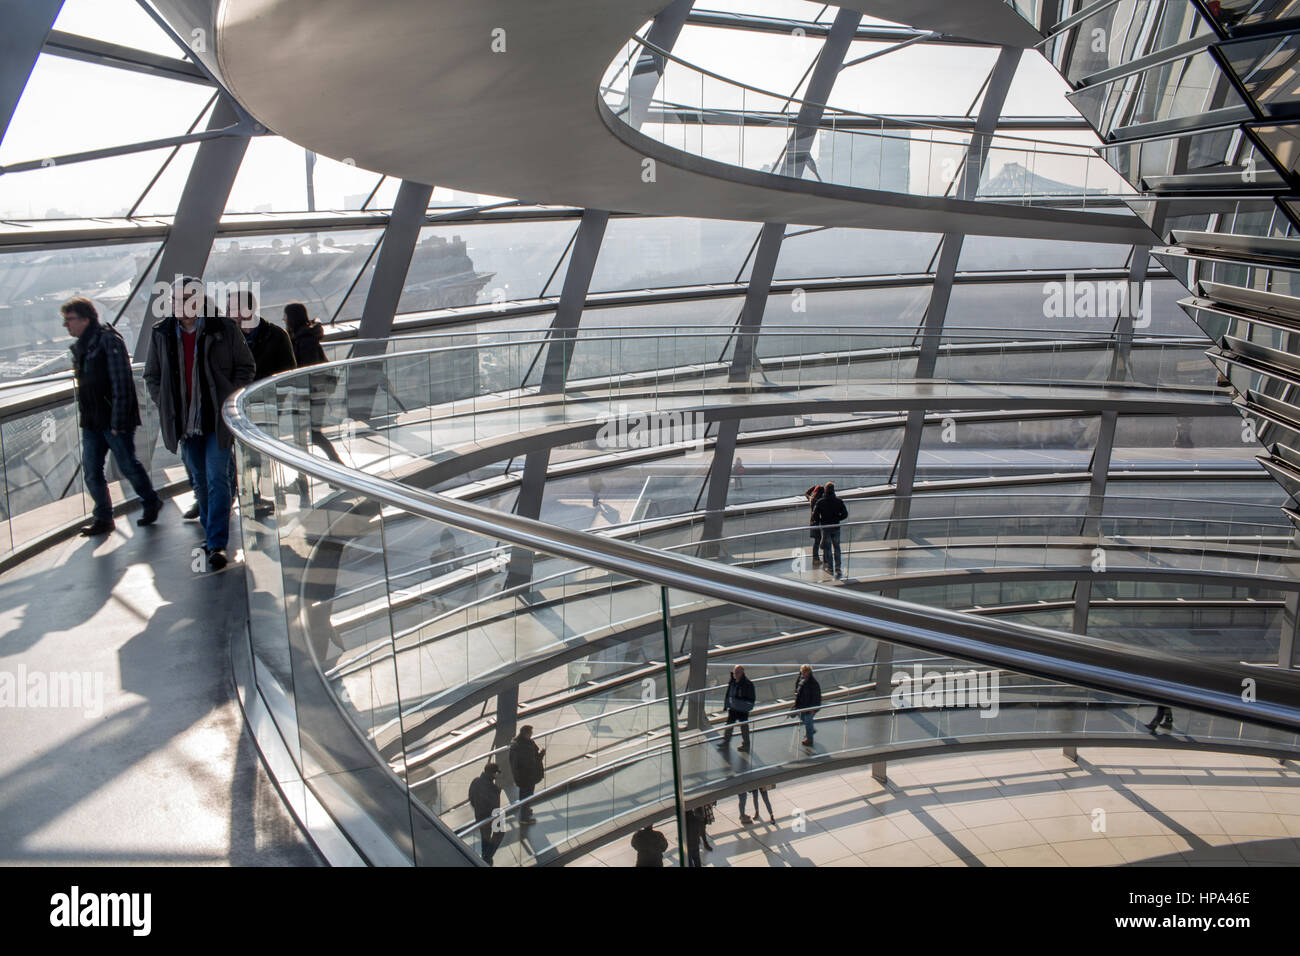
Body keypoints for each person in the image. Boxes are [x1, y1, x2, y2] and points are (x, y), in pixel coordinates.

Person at [143, 276, 255, 572]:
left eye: (186, 299)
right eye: (176, 300)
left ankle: (216, 543)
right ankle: (211, 530)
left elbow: (246, 366)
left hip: (216, 419)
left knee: (217, 477)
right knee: (201, 481)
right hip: (185, 423)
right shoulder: (162, 334)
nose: (180, 306)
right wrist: (165, 402)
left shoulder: (224, 329)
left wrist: (231, 398)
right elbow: (152, 376)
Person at [62, 298, 163, 536]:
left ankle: (150, 501)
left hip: (113, 421)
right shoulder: (83, 346)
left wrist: (118, 421)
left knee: (128, 465)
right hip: (92, 422)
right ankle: (104, 517)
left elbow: (121, 383)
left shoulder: (108, 341)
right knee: (91, 470)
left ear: (86, 319)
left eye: (70, 320)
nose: (66, 325)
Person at [228, 290, 296, 515]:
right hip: (236, 407)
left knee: (254, 456)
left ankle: (253, 497)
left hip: (264, 407)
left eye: (233, 309)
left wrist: (277, 404)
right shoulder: (229, 336)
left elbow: (288, 372)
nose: (229, 314)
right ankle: (249, 496)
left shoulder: (275, 336)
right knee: (244, 456)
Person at [283, 302, 340, 478]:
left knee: (305, 436)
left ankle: (308, 476)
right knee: (312, 435)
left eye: (285, 315)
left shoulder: (303, 341)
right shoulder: (306, 337)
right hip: (315, 394)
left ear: (291, 318)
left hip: (308, 395)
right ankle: (334, 468)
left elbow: (307, 370)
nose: (283, 319)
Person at [507, 724, 546, 823]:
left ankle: (526, 811)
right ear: (526, 734)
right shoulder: (523, 747)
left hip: (523, 777)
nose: (532, 735)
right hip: (527, 777)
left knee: (525, 795)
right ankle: (524, 817)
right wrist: (541, 755)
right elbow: (531, 762)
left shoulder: (519, 744)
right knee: (526, 796)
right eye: (530, 733)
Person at [468, 762, 504, 864]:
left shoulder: (476, 781)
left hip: (479, 815)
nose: (497, 775)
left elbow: (471, 797)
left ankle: (486, 859)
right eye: (496, 773)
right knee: (500, 832)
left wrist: (477, 807)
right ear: (493, 773)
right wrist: (498, 790)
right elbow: (494, 804)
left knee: (485, 837)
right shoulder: (492, 787)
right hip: (491, 816)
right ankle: (486, 858)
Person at [812, 480, 848, 578]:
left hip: (826, 528)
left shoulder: (820, 502)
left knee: (827, 548)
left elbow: (814, 516)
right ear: (833, 490)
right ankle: (838, 568)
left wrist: (821, 521)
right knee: (837, 548)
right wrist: (837, 519)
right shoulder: (839, 501)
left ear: (825, 490)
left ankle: (830, 568)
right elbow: (845, 514)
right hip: (836, 527)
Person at [717, 664, 756, 752]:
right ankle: (726, 742)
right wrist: (727, 704)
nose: (736, 674)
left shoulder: (747, 684)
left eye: (737, 673)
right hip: (734, 708)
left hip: (742, 709)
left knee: (743, 726)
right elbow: (729, 693)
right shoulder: (733, 682)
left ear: (742, 673)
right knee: (729, 725)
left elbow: (751, 698)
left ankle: (746, 744)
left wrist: (746, 707)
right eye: (735, 673)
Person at [792, 663, 822, 748]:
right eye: (802, 672)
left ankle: (809, 740)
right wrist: (796, 704)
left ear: (809, 672)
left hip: (810, 706)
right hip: (803, 705)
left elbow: (816, 697)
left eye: (805, 672)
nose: (803, 674)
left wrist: (813, 709)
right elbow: (798, 692)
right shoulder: (801, 679)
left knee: (808, 720)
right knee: (801, 717)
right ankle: (811, 730)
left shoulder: (813, 683)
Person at [804, 484, 824, 568]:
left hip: (814, 523)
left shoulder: (812, 499)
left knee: (817, 541)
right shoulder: (822, 500)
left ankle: (815, 558)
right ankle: (822, 557)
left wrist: (813, 487)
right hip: (821, 523)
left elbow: (806, 493)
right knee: (822, 539)